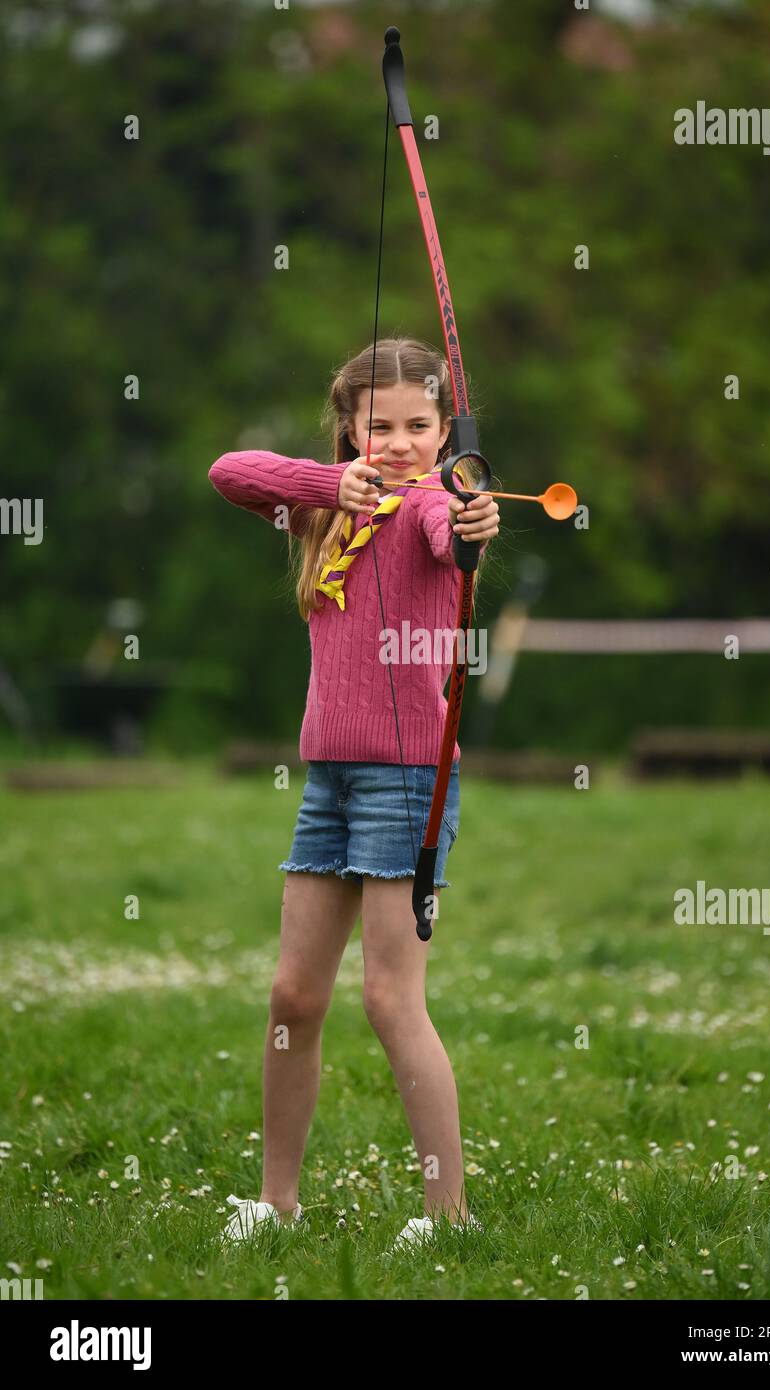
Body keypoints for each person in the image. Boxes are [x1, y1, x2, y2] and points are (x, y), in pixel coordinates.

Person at [208, 337, 499, 1251]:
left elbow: (451, 538)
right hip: (329, 780)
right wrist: (327, 483)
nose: (402, 442)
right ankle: (275, 1203)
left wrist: (471, 518)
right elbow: (229, 471)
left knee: (387, 999)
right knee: (294, 994)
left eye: (421, 426)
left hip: (409, 781)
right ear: (351, 430)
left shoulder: (427, 510)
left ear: (447, 431)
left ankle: (448, 1217)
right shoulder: (326, 507)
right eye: (381, 427)